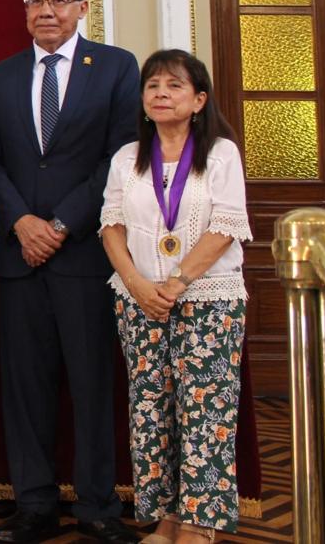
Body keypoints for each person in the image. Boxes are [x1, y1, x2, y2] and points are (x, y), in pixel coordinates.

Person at [0, 0, 139, 544]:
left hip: (86, 256)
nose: (47, 11)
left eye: (60, 0)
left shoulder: (116, 67)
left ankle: (97, 507)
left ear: (83, 9)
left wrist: (62, 223)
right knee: (25, 387)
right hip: (20, 257)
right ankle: (35, 504)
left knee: (92, 384)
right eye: (36, 1)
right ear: (24, 10)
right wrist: (21, 221)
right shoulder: (4, 74)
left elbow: (118, 157)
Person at [100, 50, 249, 544]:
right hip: (138, 300)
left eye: (174, 86)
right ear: (143, 101)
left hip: (209, 300)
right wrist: (140, 285)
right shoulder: (127, 157)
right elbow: (110, 226)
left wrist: (178, 282)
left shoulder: (221, 153)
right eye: (153, 87)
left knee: (205, 412)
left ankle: (200, 523)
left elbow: (226, 226)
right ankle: (165, 517)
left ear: (199, 99)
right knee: (151, 411)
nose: (161, 94)